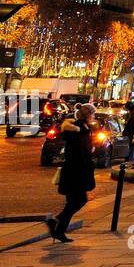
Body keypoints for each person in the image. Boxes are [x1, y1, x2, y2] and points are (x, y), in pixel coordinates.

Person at [46, 103, 98, 243]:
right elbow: (80, 152)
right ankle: (56, 221)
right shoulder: (80, 129)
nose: (94, 116)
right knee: (80, 200)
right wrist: (89, 153)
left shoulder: (81, 128)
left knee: (72, 202)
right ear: (87, 115)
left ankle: (59, 231)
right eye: (92, 114)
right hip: (77, 172)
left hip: (73, 171)